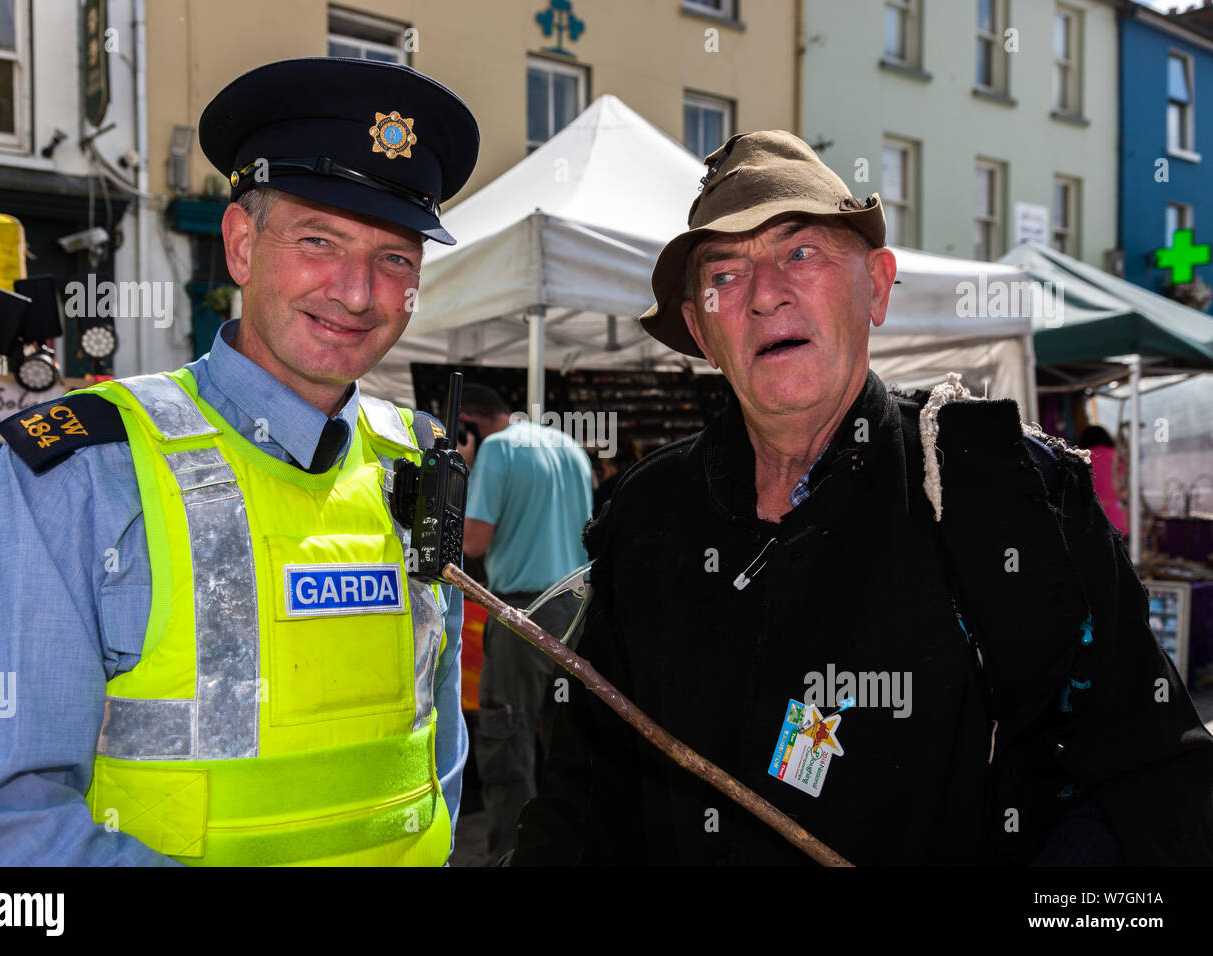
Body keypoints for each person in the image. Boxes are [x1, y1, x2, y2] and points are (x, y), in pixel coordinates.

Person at [513, 131, 1213, 865]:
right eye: (725, 272)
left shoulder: (1002, 491)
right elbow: (580, 790)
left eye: (801, 253)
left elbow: (1148, 779)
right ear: (700, 329)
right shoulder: (649, 513)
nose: (765, 295)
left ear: (877, 286)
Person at [0, 57, 480, 866]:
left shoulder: (419, 456)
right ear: (241, 244)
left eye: (395, 258)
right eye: (318, 240)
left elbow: (434, 752)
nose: (358, 292)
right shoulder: (86, 469)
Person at [459, 384, 592, 863]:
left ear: (470, 422)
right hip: (578, 610)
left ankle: (514, 856)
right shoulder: (568, 444)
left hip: (523, 613)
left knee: (506, 741)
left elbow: (473, 542)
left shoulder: (495, 450)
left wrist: (467, 467)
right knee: (567, 742)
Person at [1079, 424, 1128, 535]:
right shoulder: (1116, 456)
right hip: (1117, 514)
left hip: (1090, 515)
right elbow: (1125, 483)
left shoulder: (1081, 458)